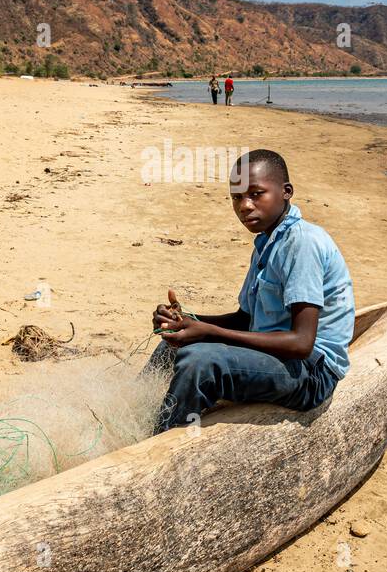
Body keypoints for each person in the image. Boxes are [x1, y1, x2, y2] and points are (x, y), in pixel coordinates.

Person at [145, 149, 354, 433]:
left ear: (286, 192)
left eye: (256, 194)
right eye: (236, 197)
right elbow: (245, 319)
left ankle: (161, 443)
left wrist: (208, 332)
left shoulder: (302, 243)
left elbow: (302, 343)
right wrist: (186, 320)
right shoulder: (267, 241)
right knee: (172, 343)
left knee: (199, 362)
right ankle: (142, 420)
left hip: (311, 373)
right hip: (279, 354)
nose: (244, 206)